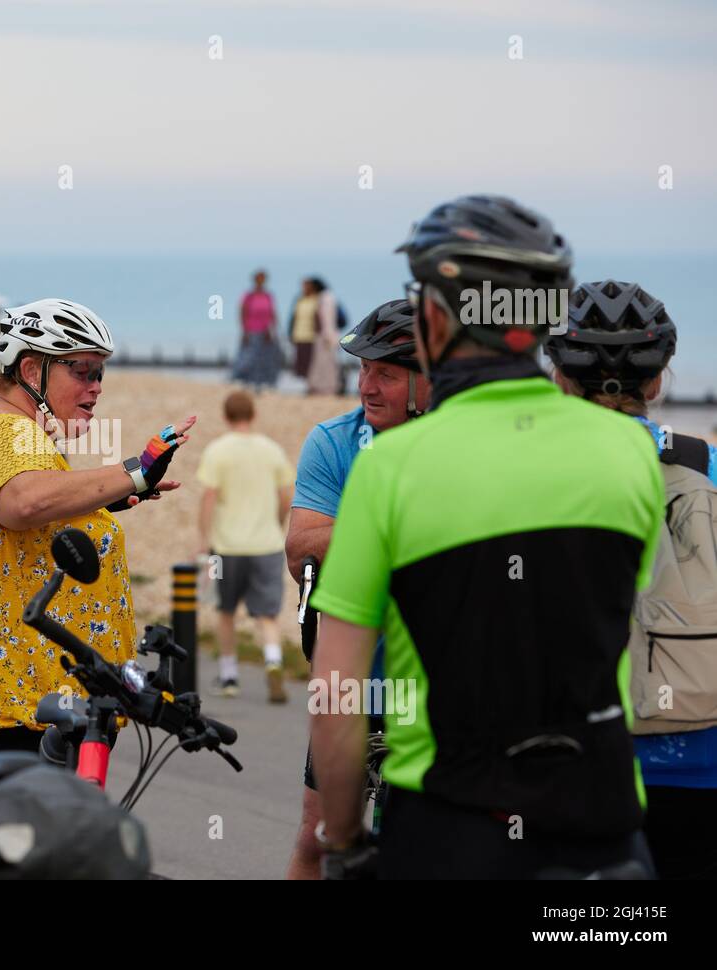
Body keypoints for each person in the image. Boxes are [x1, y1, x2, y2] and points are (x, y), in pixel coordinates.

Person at [310, 195, 666, 880]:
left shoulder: (389, 466)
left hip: (448, 829)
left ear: (437, 316)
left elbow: (337, 695)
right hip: (607, 831)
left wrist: (344, 833)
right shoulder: (628, 452)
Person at [0, 298, 196, 751]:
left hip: (23, 697)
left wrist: (108, 501)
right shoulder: (8, 432)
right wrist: (136, 469)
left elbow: (19, 521)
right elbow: (23, 501)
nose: (97, 387)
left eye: (100, 373)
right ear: (31, 372)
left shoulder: (4, 430)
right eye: (83, 371)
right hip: (17, 705)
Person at [546, 280, 717, 880]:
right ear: (657, 381)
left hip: (566, 766)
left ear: (560, 376)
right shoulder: (704, 464)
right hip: (701, 763)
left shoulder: (528, 467)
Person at [282, 298, 428, 879]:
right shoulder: (335, 441)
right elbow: (303, 546)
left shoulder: (463, 450)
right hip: (351, 683)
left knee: (419, 850)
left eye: (385, 374)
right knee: (318, 840)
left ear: (429, 380)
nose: (366, 385)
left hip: (436, 687)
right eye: (362, 369)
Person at [195, 391, 295, 702]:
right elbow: (286, 495)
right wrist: (278, 523)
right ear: (253, 415)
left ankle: (228, 677)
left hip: (226, 547)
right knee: (267, 614)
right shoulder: (272, 450)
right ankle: (273, 661)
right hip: (267, 544)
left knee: (225, 611)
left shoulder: (217, 451)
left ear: (226, 416)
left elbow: (209, 497)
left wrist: (203, 537)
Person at [231, 270, 282, 391]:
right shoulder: (248, 296)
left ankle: (263, 384)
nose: (261, 281)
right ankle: (245, 383)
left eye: (263, 278)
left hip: (266, 333)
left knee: (266, 360)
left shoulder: (268, 296)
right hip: (251, 331)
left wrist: (273, 330)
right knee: (248, 359)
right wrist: (245, 331)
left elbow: (273, 314)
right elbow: (242, 313)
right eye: (259, 278)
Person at [306, 278, 342, 395]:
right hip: (326, 335)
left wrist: (327, 335)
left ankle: (326, 389)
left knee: (326, 363)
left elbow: (327, 319)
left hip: (326, 336)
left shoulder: (325, 298)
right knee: (324, 363)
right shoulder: (327, 297)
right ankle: (323, 388)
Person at [288, 278, 319, 382]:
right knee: (299, 361)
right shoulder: (299, 300)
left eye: (307, 285)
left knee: (310, 362)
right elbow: (293, 317)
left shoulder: (316, 300)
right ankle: (299, 383)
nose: (305, 288)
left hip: (311, 336)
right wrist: (290, 333)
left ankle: (310, 382)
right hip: (299, 335)